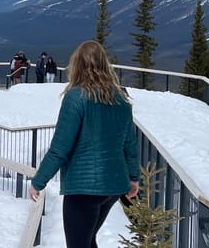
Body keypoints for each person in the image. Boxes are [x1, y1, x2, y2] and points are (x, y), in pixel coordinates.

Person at [28, 41, 139, 248]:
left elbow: (60, 148)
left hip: (83, 188)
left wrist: (38, 181)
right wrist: (133, 178)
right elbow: (129, 145)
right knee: (88, 240)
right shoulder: (121, 100)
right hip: (113, 186)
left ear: (77, 65)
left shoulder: (76, 97)